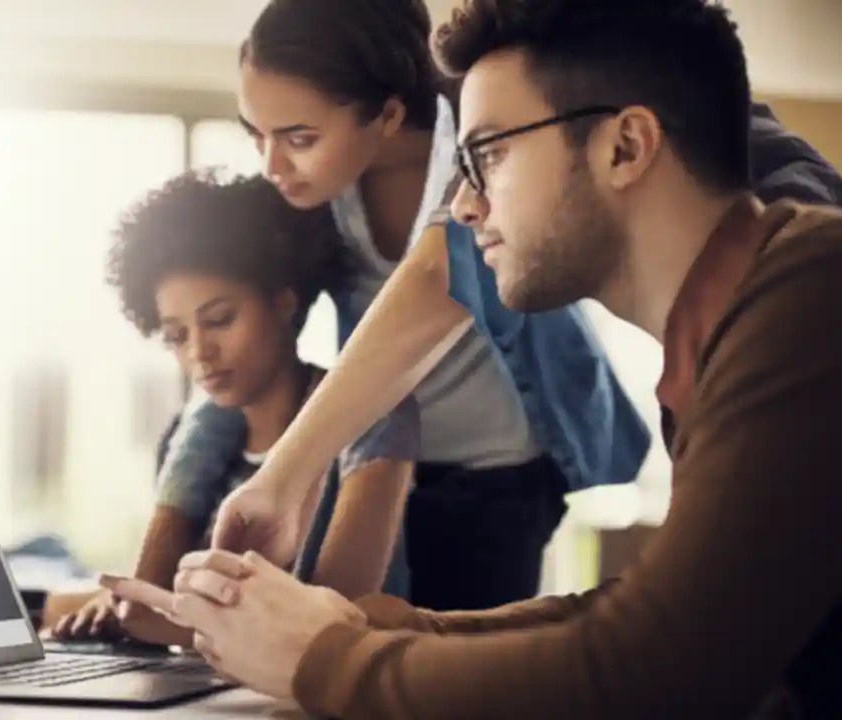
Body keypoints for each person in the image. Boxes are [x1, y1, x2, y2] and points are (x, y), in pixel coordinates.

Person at [109, 0, 842, 716]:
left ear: (625, 147)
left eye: (488, 154)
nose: (460, 205)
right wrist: (369, 629)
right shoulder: (719, 343)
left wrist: (320, 661)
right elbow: (653, 617)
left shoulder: (805, 292)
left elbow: (657, 666)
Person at [160, 0, 651, 613]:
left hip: (503, 472)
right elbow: (254, 337)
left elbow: (436, 270)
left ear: (388, 114)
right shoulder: (308, 197)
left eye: (299, 138)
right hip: (380, 466)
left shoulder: (481, 149)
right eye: (255, 135)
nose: (272, 165)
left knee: (460, 674)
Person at [52, 171, 420, 644]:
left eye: (220, 320)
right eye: (176, 336)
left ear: (283, 302)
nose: (199, 352)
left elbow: (335, 620)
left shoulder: (375, 415)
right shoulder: (188, 440)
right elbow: (145, 605)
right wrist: (124, 607)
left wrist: (145, 612)